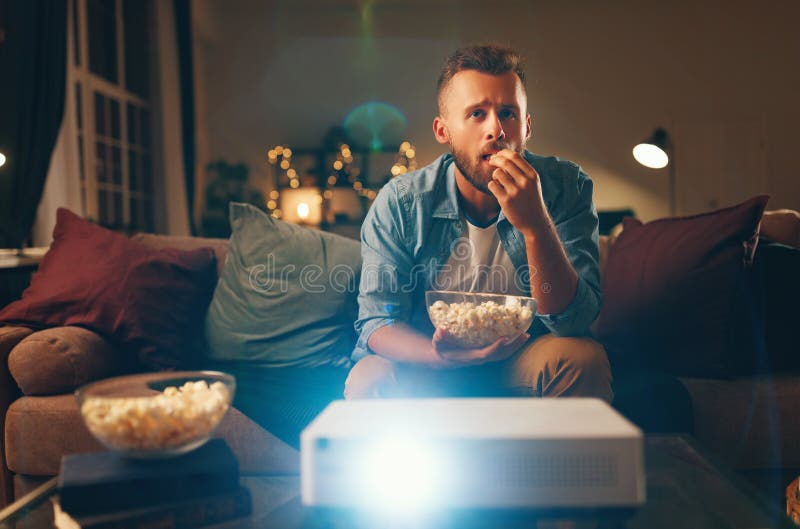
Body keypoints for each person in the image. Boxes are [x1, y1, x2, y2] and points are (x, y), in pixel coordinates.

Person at [344, 44, 613, 402]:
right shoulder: (402, 201)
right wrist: (440, 356)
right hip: (430, 358)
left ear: (526, 127)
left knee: (582, 359)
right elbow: (379, 321)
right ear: (443, 131)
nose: (496, 130)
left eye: (508, 113)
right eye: (476, 114)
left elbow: (573, 321)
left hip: (523, 354)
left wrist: (536, 225)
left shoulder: (566, 186)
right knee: (369, 377)